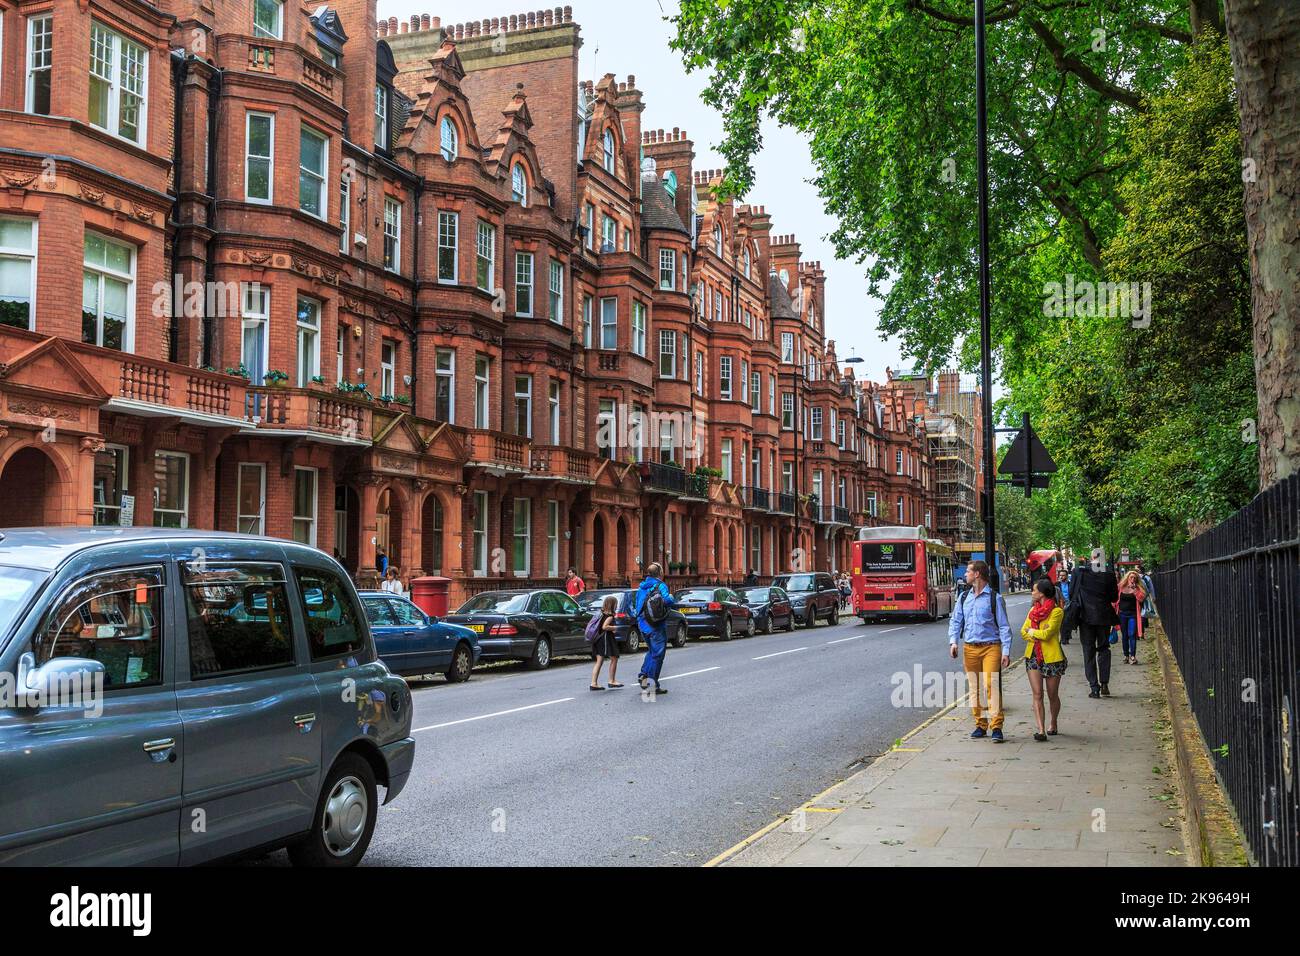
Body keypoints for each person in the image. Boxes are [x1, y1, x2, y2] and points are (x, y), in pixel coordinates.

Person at [948, 560, 1013, 741]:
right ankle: (980, 724)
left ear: (977, 574)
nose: (965, 574)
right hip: (970, 648)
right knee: (975, 688)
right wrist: (953, 642)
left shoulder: (995, 598)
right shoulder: (963, 598)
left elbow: (1004, 627)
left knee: (991, 685)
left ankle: (997, 726)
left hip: (991, 647)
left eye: (968, 571)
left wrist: (1006, 651)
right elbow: (955, 622)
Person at [1067, 553, 1120, 698]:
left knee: (1088, 651)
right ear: (1102, 560)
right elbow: (1114, 597)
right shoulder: (1109, 574)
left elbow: (1071, 594)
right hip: (1103, 616)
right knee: (1104, 648)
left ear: (1091, 558)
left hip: (1085, 617)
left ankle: (1094, 687)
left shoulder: (1079, 572)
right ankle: (1104, 683)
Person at [1022, 579, 1067, 741]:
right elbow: (1023, 632)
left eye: (1034, 590)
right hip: (1033, 656)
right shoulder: (1032, 611)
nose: (1032, 593)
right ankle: (1040, 730)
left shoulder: (1056, 612)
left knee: (1052, 695)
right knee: (1037, 694)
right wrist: (1036, 632)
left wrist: (1032, 632)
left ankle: (1053, 722)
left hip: (1052, 658)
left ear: (1041, 593)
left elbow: (1048, 635)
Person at [634, 562, 676, 695]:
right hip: (656, 624)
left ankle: (644, 675)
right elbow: (668, 601)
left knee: (652, 651)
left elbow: (637, 606)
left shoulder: (641, 587)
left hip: (643, 624)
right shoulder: (661, 585)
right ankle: (652, 683)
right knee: (658, 654)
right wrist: (670, 597)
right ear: (660, 573)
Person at [589, 594, 623, 691]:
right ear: (612, 605)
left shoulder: (600, 613)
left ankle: (594, 683)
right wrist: (615, 627)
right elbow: (604, 627)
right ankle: (611, 680)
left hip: (598, 639)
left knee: (599, 661)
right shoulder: (610, 616)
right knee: (614, 658)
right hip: (606, 640)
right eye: (616, 604)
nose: (617, 606)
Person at [1116, 570, 1146, 665]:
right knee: (1124, 635)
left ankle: (1133, 656)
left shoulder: (1137, 588)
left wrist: (1135, 590)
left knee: (1132, 634)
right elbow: (1115, 600)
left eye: (1134, 578)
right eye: (1131, 577)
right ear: (1127, 578)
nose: (1132, 579)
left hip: (1133, 614)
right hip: (1122, 614)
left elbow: (1142, 598)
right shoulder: (1121, 587)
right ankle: (1126, 655)